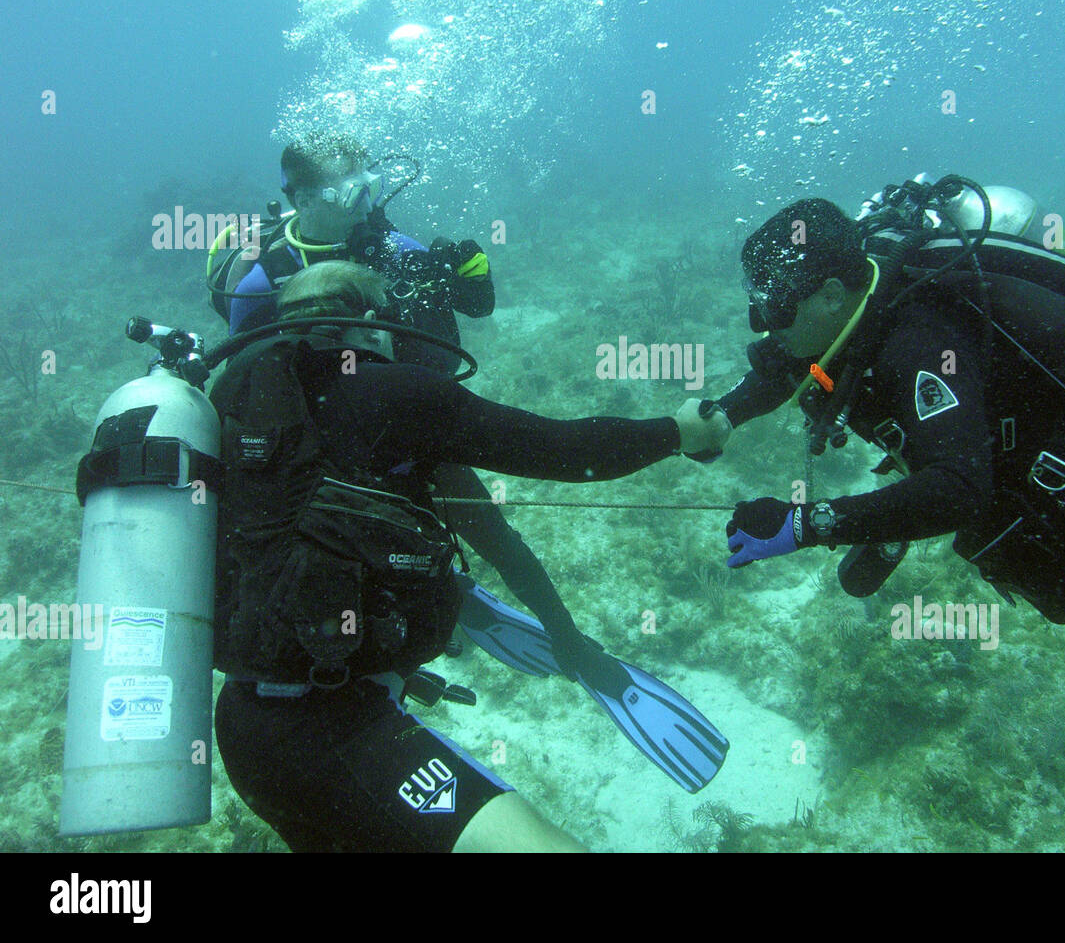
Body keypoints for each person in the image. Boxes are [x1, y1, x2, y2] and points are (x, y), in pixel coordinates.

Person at [711, 177, 1065, 702]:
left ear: (832, 295)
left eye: (775, 308)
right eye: (757, 305)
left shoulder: (916, 347)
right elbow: (776, 370)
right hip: (1039, 493)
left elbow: (959, 489)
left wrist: (803, 526)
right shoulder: (845, 320)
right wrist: (716, 418)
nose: (763, 325)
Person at [209, 260, 731, 852]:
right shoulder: (398, 393)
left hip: (244, 732)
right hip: (339, 735)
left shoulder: (229, 400)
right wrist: (678, 431)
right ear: (377, 323)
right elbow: (564, 451)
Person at [208, 133, 615, 687]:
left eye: (368, 187)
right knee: (309, 562)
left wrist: (472, 280)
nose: (365, 203)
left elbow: (455, 333)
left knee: (495, 537)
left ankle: (566, 640)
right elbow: (245, 383)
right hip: (311, 454)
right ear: (300, 200)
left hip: (406, 433)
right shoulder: (261, 280)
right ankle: (411, 634)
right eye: (348, 192)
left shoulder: (400, 252)